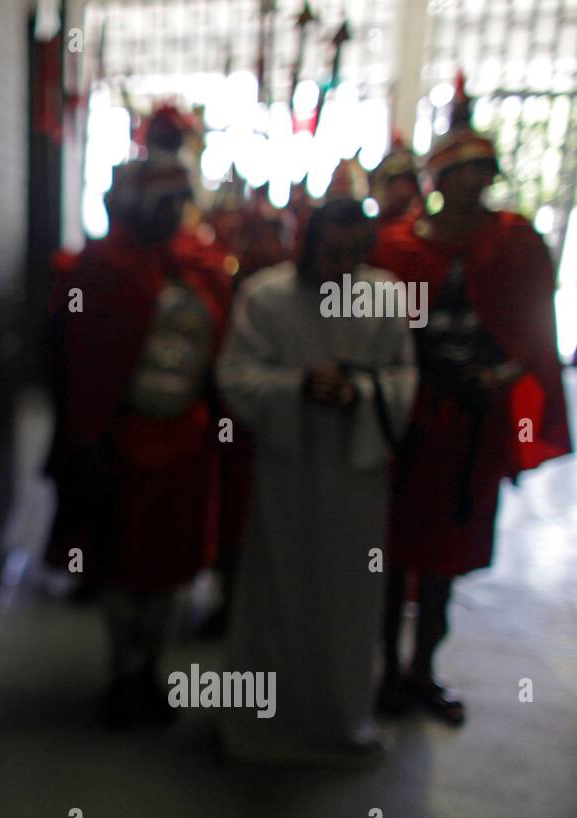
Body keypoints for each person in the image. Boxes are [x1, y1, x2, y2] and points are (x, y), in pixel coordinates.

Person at [369, 87, 572, 725]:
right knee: (391, 548)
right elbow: (375, 335)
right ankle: (383, 672)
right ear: (440, 180)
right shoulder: (396, 247)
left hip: (471, 421)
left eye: (482, 172)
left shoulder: (514, 242)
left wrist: (501, 377)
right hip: (407, 414)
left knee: (446, 556)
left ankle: (423, 669)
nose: (472, 184)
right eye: (460, 173)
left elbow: (534, 333)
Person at [216, 199, 418, 764]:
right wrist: (298, 387)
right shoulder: (267, 295)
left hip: (356, 474)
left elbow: (404, 376)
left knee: (349, 600)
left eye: (357, 254)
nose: (343, 267)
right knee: (279, 594)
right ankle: (265, 722)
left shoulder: (385, 295)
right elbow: (235, 374)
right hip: (289, 471)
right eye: (333, 252)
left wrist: (360, 392)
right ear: (308, 243)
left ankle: (339, 716)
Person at [46, 153, 230, 728]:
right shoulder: (101, 269)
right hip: (125, 441)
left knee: (171, 566)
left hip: (188, 440)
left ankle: (151, 669)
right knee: (124, 565)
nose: (175, 213)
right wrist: (89, 441)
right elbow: (81, 367)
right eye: (164, 202)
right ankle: (124, 673)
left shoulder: (196, 268)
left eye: (180, 201)